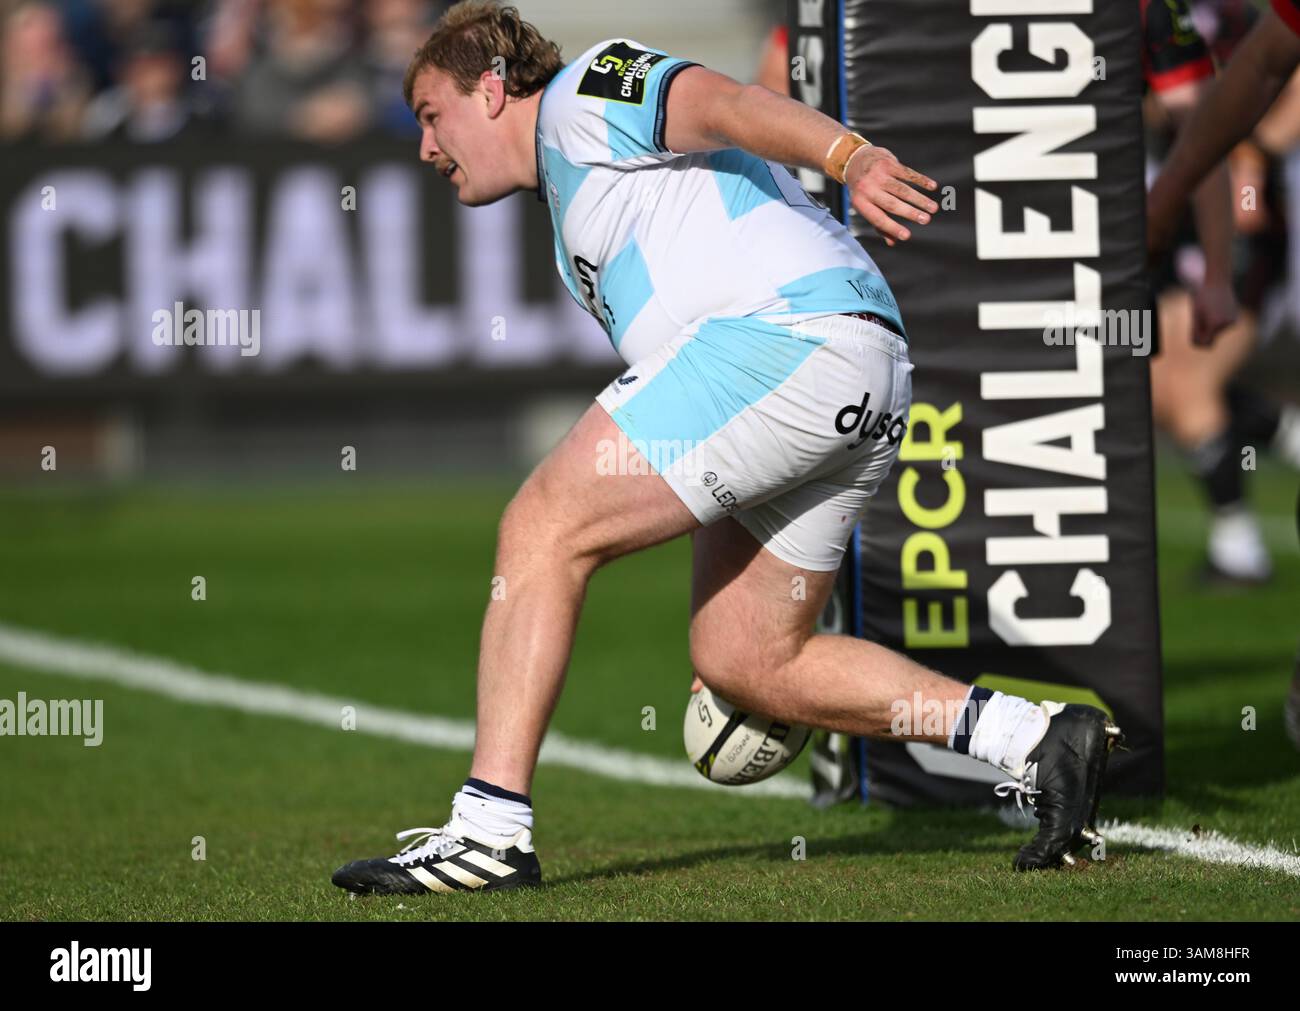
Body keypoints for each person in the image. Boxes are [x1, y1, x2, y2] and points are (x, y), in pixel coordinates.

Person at [331, 0, 1121, 894]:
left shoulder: (585, 91)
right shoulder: (571, 178)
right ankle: (1037, 738)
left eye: (432, 116)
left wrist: (849, 157)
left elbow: (725, 102)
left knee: (543, 527)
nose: (427, 148)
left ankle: (488, 828)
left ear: (492, 86)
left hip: (788, 340)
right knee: (748, 659)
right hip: (858, 372)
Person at [1147, 0, 1300, 748]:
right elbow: (1249, 67)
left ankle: (1240, 547)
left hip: (1245, 209)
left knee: (1187, 384)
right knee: (1165, 385)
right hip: (1189, 201)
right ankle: (1282, 441)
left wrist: (1258, 153)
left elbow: (1274, 66)